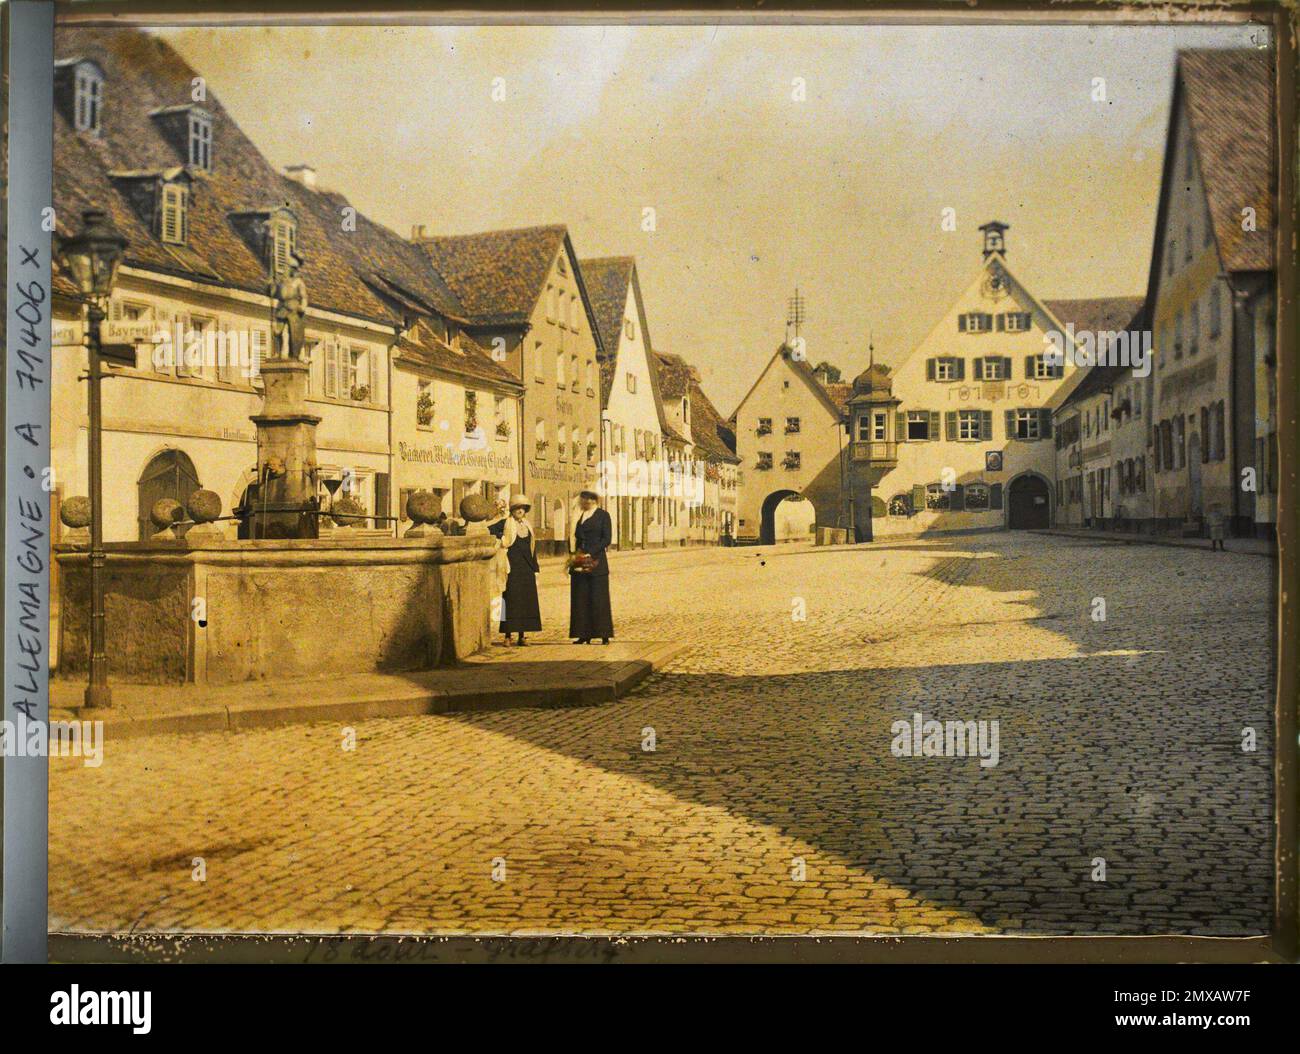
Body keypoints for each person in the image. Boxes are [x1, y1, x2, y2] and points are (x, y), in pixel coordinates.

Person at [569, 489, 614, 644]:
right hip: (581, 560)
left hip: (597, 562)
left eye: (590, 498)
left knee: (598, 598)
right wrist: (576, 558)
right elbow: (577, 538)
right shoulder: (581, 516)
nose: (587, 501)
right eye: (584, 499)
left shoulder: (603, 515)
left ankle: (604, 634)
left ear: (595, 500)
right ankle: (583, 634)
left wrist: (592, 552)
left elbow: (606, 539)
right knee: (581, 597)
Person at [499, 496, 542, 645]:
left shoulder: (528, 526)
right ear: (512, 510)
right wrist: (501, 539)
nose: (520, 510)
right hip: (512, 568)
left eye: (522, 508)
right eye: (517, 508)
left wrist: (535, 567)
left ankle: (522, 636)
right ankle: (507, 635)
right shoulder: (506, 523)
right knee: (510, 600)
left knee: (525, 602)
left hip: (526, 568)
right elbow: (489, 530)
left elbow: (532, 548)